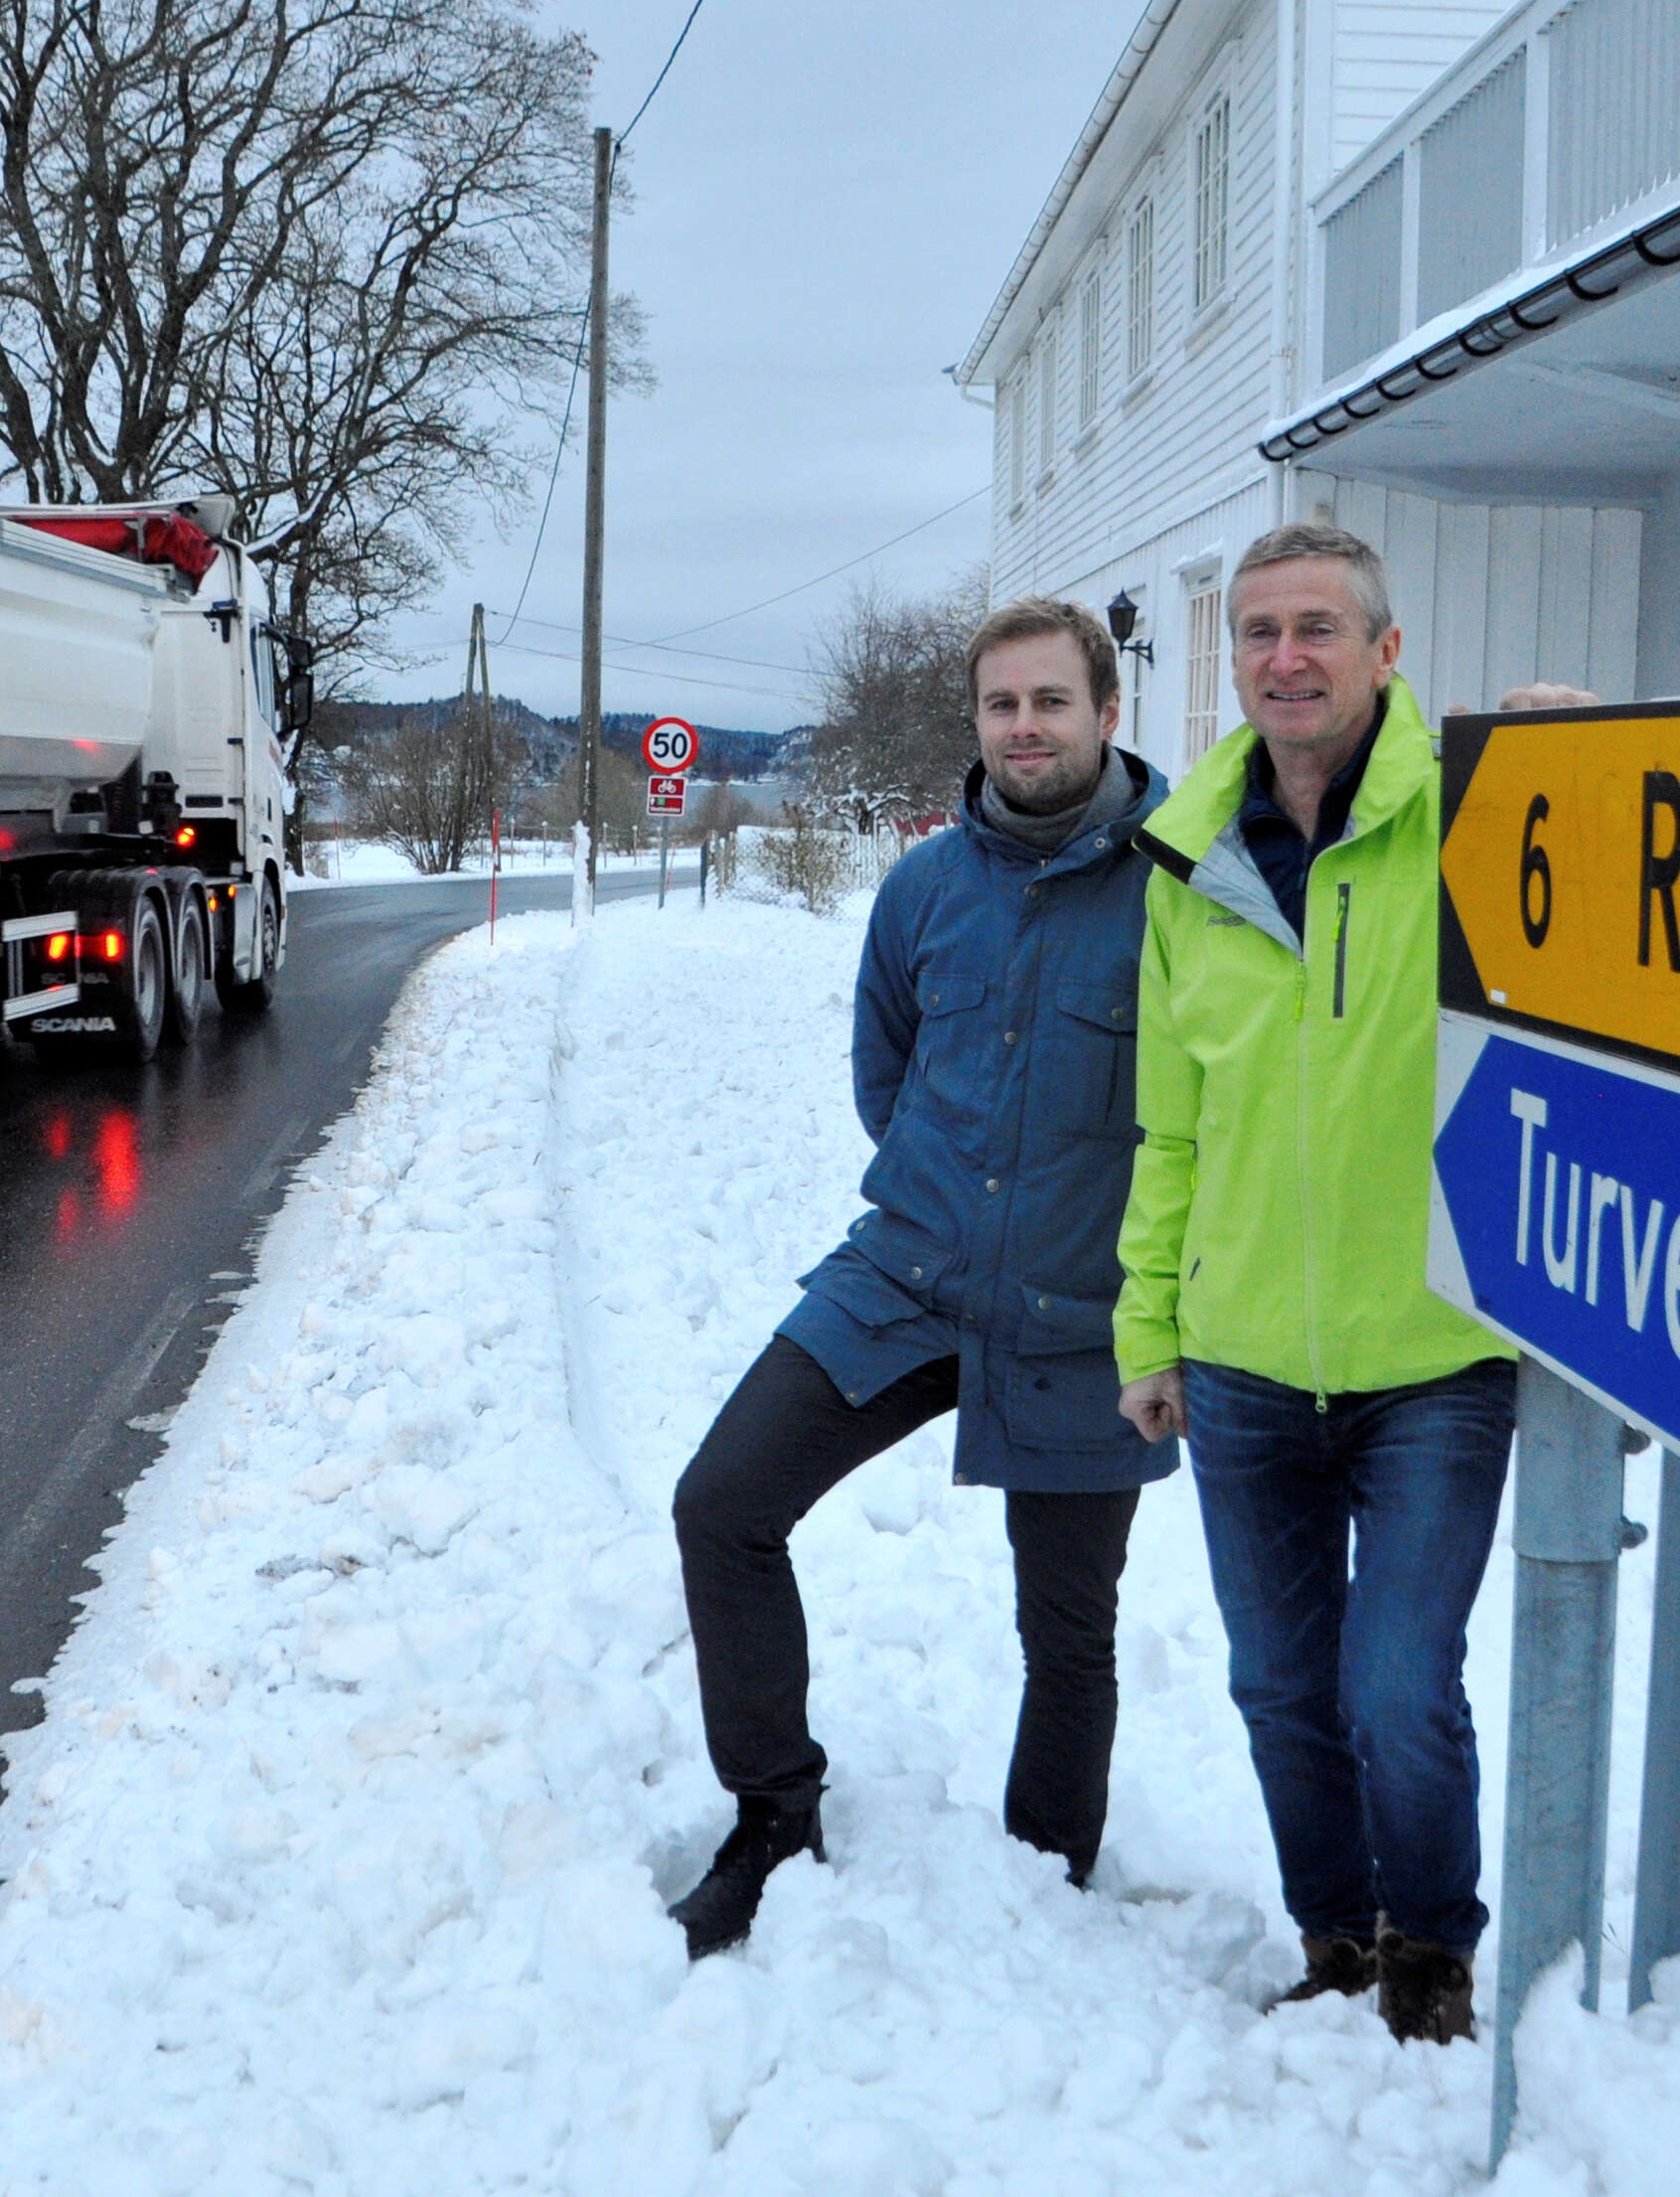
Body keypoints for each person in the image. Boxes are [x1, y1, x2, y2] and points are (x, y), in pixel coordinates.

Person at [1113, 524, 1593, 2044]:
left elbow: (1600, 929)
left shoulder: (1471, 809)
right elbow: (1170, 1120)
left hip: (1433, 1350)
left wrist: (1572, 770)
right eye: (1259, 631)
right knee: (1278, 1685)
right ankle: (1335, 1934)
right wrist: (1149, 1323)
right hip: (1243, 1350)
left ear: (1386, 652)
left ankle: (1430, 1948)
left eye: (1320, 626)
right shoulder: (1190, 858)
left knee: (1397, 1683)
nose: (1286, 656)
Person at [664, 595, 1171, 1959]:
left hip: (1084, 1314)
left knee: (1069, 1628)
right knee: (723, 1503)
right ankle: (773, 1815)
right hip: (908, 1275)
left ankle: (1045, 1877)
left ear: (1107, 711)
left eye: (1050, 700)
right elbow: (884, 1072)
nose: (1024, 727)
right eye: (1002, 703)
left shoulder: (1181, 893)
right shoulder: (923, 888)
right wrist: (952, 1193)